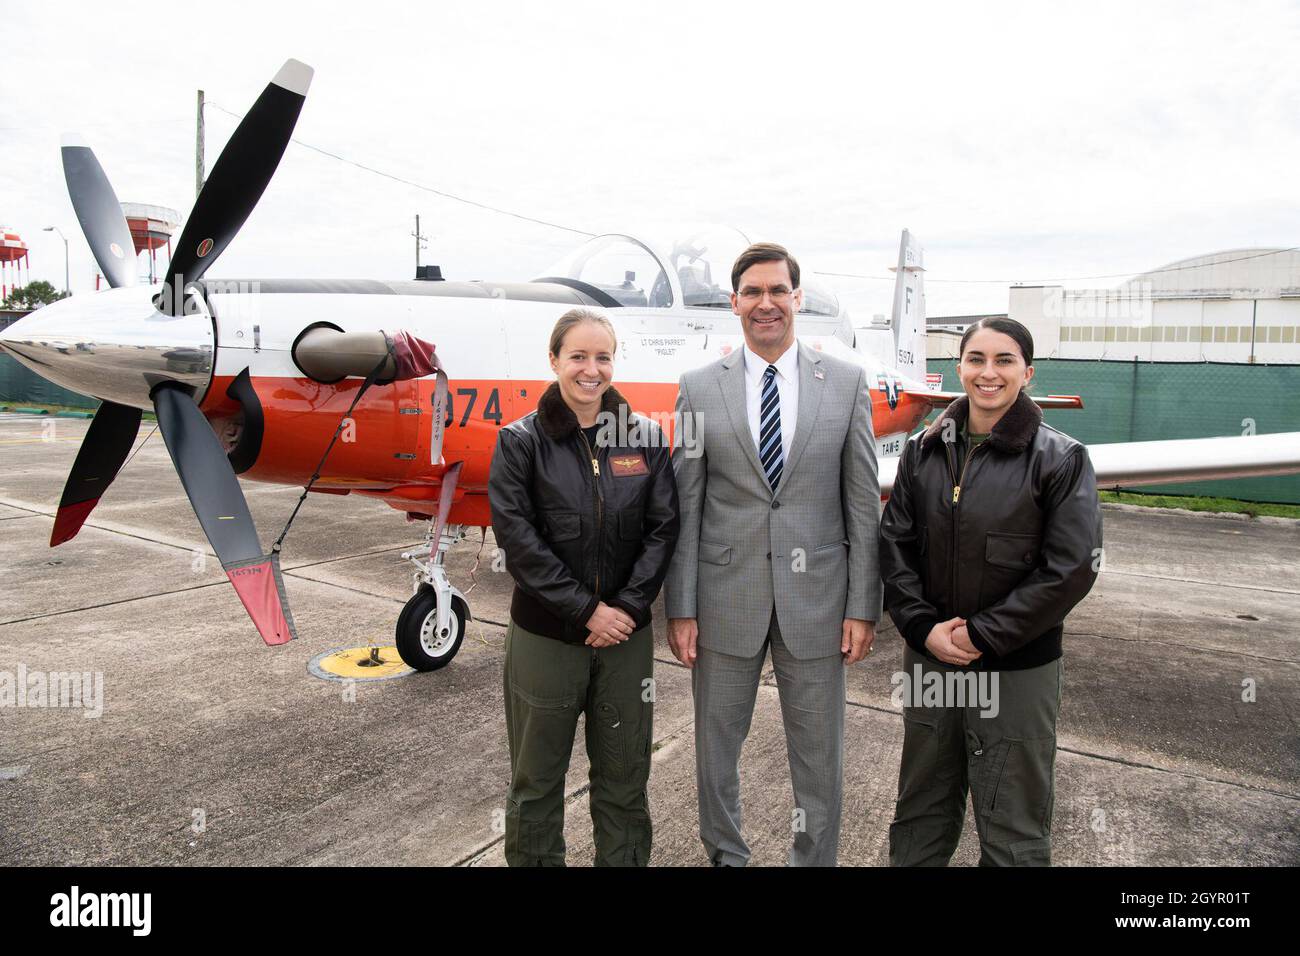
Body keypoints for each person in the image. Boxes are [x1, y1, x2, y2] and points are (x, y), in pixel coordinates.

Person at [664, 242, 881, 867]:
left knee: (820, 761)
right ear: (734, 303)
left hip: (818, 606)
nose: (766, 303)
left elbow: (862, 505)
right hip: (724, 600)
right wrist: (681, 607)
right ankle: (727, 856)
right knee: (715, 751)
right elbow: (688, 505)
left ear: (797, 298)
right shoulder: (700, 387)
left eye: (777, 290)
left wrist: (863, 605)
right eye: (752, 292)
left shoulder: (844, 384)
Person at [879, 316, 1102, 867]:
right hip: (931, 661)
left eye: (1004, 361)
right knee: (920, 808)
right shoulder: (923, 450)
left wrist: (982, 634)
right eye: (976, 359)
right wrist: (922, 628)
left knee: (1013, 824)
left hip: (1016, 670)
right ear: (959, 368)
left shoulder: (1062, 458)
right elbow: (896, 546)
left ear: (1027, 372)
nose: (988, 373)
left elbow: (1071, 568)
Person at [488, 307, 679, 866]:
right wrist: (586, 611)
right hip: (546, 639)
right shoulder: (519, 442)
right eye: (578, 356)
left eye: (602, 356)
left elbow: (662, 529)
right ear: (554, 360)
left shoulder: (644, 439)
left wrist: (625, 608)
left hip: (624, 640)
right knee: (537, 782)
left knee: (624, 779)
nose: (590, 369)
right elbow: (519, 541)